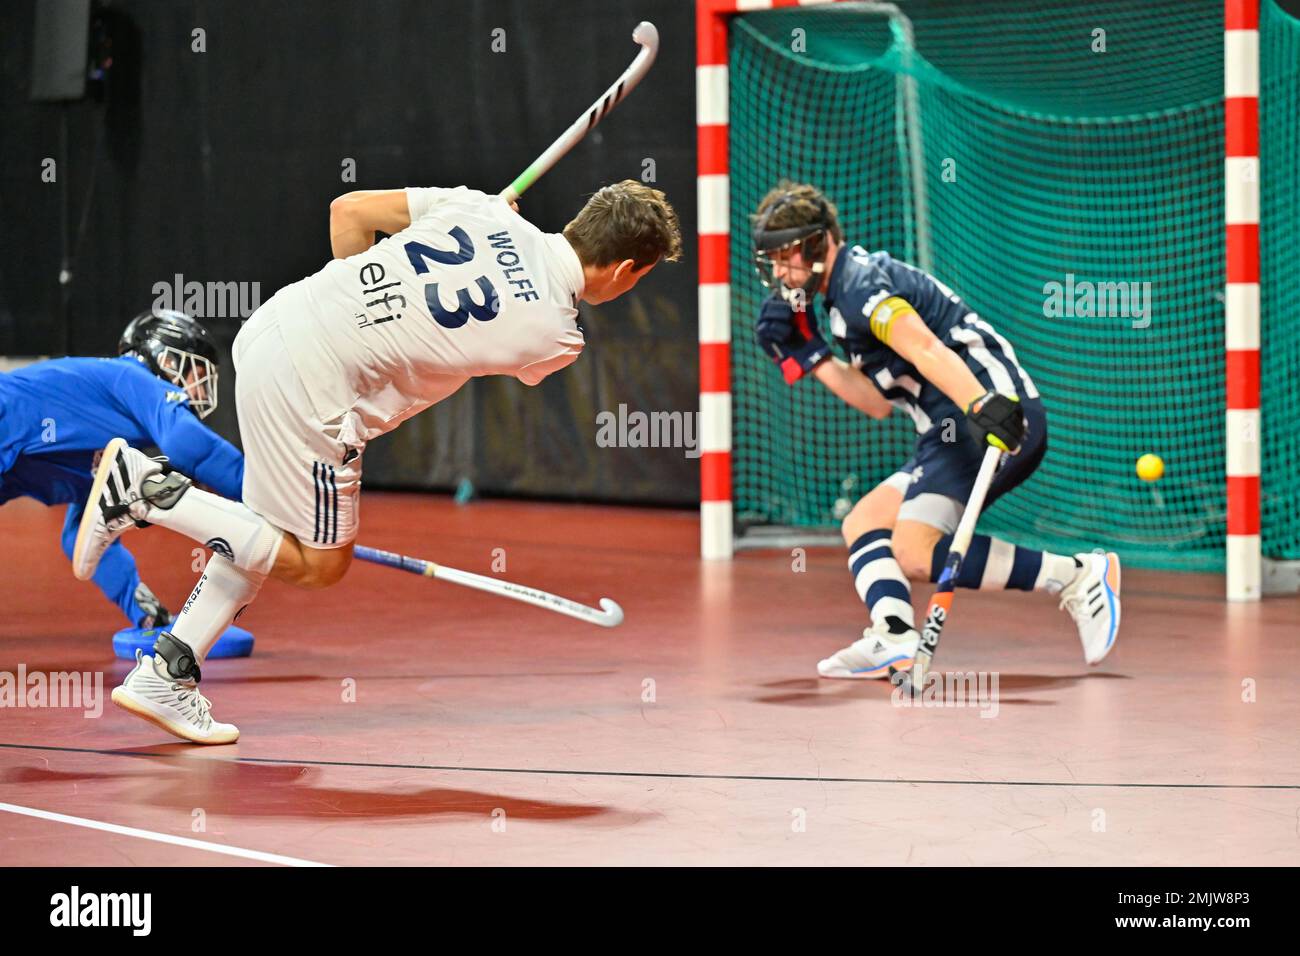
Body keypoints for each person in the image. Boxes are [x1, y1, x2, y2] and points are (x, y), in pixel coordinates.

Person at [74, 180, 682, 744]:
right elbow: (507, 318)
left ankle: (167, 673)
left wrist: (356, 317)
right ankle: (146, 490)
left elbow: (350, 212)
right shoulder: (557, 335)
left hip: (274, 326)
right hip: (320, 396)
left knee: (260, 538)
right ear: (628, 269)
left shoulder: (481, 205)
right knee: (319, 566)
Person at [749, 181, 1120, 679]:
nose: (778, 271)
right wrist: (812, 358)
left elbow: (924, 346)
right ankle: (896, 635)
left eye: (784, 256)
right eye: (770, 260)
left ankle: (1078, 575)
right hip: (948, 426)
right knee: (863, 522)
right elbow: (877, 403)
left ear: (817, 244)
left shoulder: (861, 286)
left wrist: (981, 405)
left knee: (914, 551)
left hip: (988, 412)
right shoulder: (840, 305)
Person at [0, 308, 242, 633]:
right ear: (168, 361)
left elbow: (85, 537)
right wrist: (257, 488)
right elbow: (190, 445)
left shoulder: (109, 437)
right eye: (197, 370)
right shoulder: (133, 377)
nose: (200, 390)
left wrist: (144, 611)